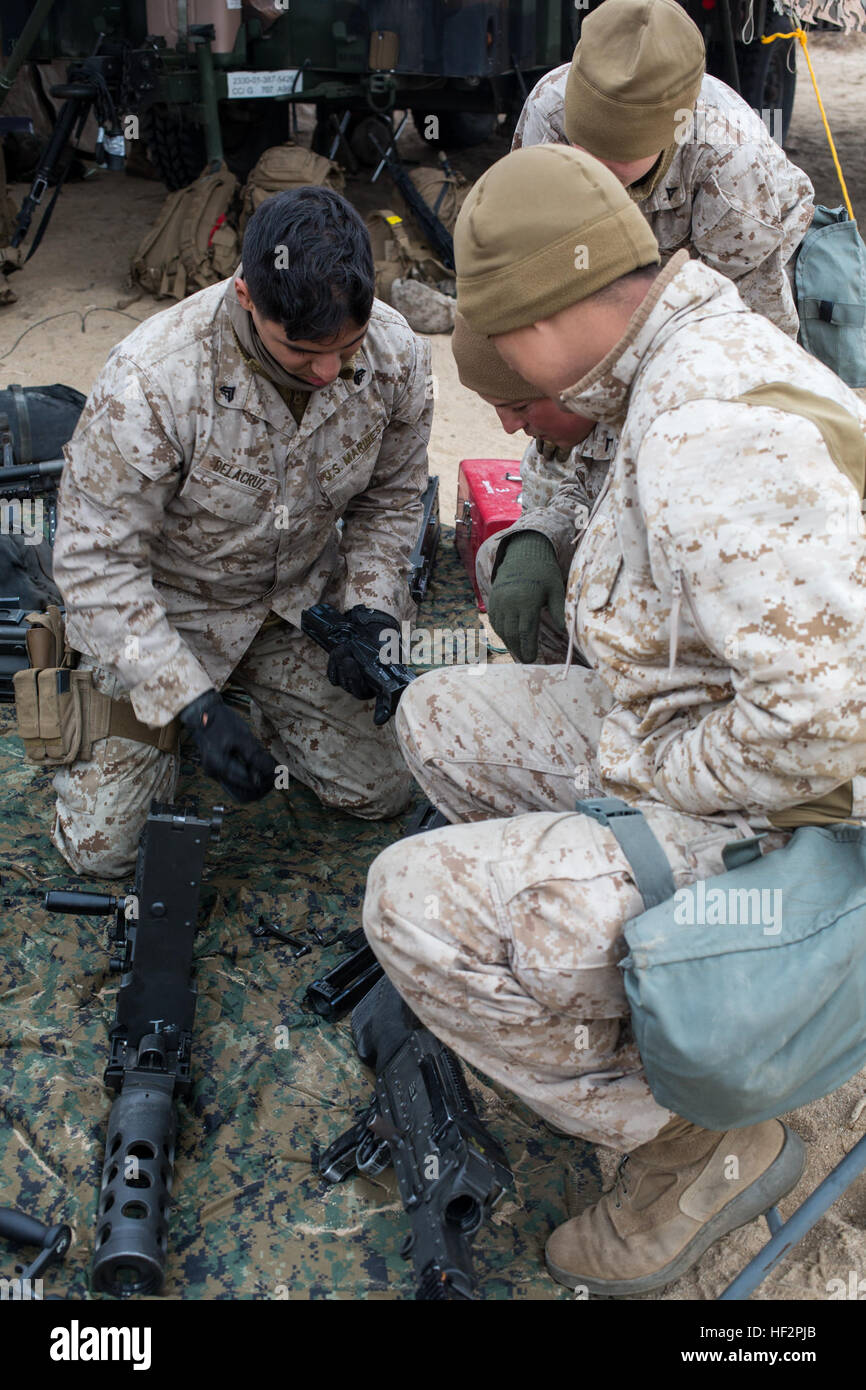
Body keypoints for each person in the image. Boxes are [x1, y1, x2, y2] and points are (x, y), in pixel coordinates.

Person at [362, 144, 866, 1295]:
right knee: (440, 716)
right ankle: (621, 960)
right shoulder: (683, 349)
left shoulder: (706, 429)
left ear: (535, 323)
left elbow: (831, 719)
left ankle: (688, 1141)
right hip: (727, 745)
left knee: (410, 904)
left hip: (808, 833)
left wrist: (663, 771)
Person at [51, 186, 432, 878]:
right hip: (167, 614)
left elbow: (393, 500)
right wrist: (191, 704)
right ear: (247, 296)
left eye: (345, 349)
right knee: (104, 852)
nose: (327, 372)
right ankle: (188, 709)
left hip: (292, 606)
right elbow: (94, 565)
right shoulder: (153, 382)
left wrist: (370, 609)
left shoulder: (396, 357)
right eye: (303, 352)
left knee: (382, 791)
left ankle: (259, 710)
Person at [512, 0, 813, 337]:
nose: (594, 172)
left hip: (742, 249)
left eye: (614, 160)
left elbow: (749, 323)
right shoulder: (550, 108)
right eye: (583, 150)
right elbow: (536, 247)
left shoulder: (732, 157)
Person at [452, 310, 615, 663]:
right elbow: (590, 489)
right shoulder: (605, 407)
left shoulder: (669, 420)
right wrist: (537, 536)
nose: (509, 427)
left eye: (520, 406)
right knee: (502, 556)